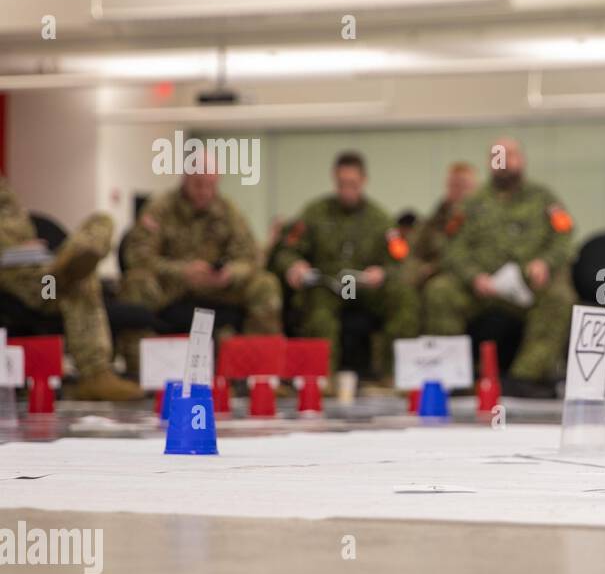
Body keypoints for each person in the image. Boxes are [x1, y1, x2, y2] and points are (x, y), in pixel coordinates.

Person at [422, 139, 575, 396]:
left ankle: (525, 378)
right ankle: (454, 378)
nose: (503, 161)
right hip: (480, 286)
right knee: (440, 290)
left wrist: (544, 263)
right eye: (497, 155)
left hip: (527, 285)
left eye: (510, 155)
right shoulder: (471, 203)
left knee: (560, 297)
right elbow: (452, 248)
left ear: (522, 160)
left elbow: (564, 238)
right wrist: (473, 276)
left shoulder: (544, 199)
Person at [272, 151, 418, 379]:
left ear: (364, 181)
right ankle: (320, 380)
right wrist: (295, 266)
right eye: (341, 184)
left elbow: (401, 262)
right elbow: (287, 250)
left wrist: (382, 273)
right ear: (334, 180)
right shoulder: (314, 213)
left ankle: (394, 376)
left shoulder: (380, 219)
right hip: (327, 286)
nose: (347, 190)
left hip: (365, 288)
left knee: (404, 299)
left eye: (353, 184)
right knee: (318, 311)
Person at [118, 170, 282, 370]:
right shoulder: (160, 208)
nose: (204, 191)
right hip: (171, 285)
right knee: (136, 283)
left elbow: (251, 258)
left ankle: (259, 373)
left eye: (211, 185)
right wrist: (183, 271)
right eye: (198, 184)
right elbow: (137, 257)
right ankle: (141, 371)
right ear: (185, 180)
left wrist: (229, 273)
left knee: (265, 284)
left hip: (217, 285)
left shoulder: (228, 210)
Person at [0, 174, 142, 400]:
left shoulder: (6, 195)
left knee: (102, 220)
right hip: (17, 279)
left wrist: (32, 250)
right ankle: (95, 374)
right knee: (79, 279)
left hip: (45, 276)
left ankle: (70, 260)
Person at [405, 161, 478, 295]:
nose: (459, 191)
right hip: (434, 280)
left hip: (471, 280)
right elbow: (414, 250)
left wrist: (437, 268)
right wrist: (420, 270)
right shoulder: (435, 220)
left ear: (475, 188)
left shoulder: (483, 220)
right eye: (454, 186)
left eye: (464, 186)